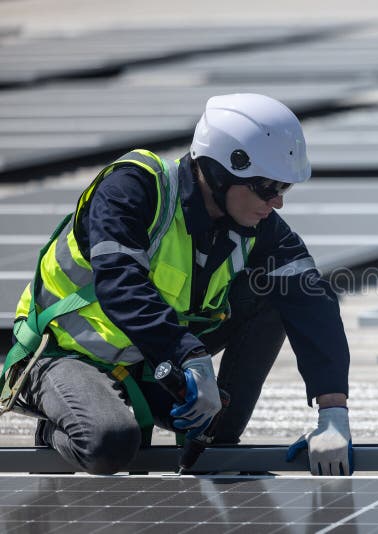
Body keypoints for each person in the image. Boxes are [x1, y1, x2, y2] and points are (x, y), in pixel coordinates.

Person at [3, 93, 352, 476]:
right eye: (268, 188)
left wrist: (333, 411)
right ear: (221, 172)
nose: (277, 203)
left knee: (276, 295)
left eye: (283, 190)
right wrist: (188, 356)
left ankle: (215, 438)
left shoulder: (256, 224)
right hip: (66, 354)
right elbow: (121, 283)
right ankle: (56, 419)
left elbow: (310, 297)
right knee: (109, 444)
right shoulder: (134, 189)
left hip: (150, 359)